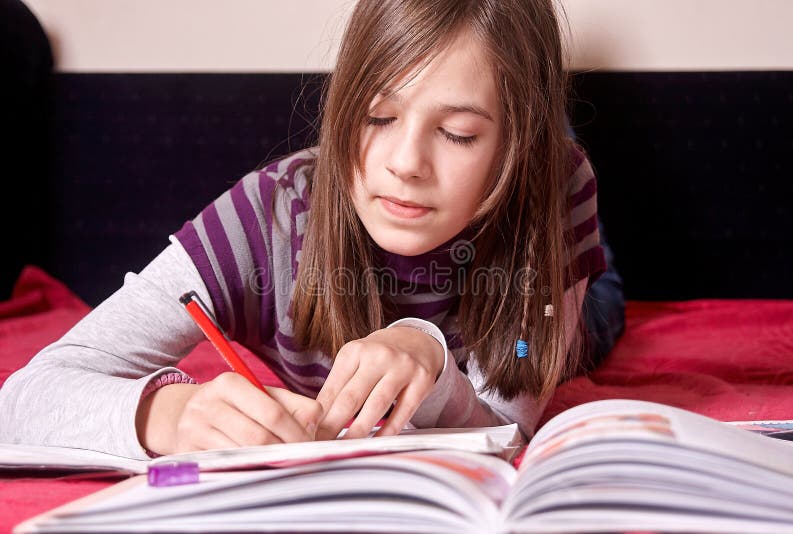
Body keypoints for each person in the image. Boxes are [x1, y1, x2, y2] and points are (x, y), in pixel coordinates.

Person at [0, 0, 623, 458]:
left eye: (458, 133)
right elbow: (21, 400)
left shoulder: (552, 186)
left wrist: (425, 349)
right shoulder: (262, 224)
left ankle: (549, 136)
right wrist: (164, 414)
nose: (404, 164)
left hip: (542, 312)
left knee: (591, 318)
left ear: (513, 147)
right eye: (378, 115)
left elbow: (509, 406)